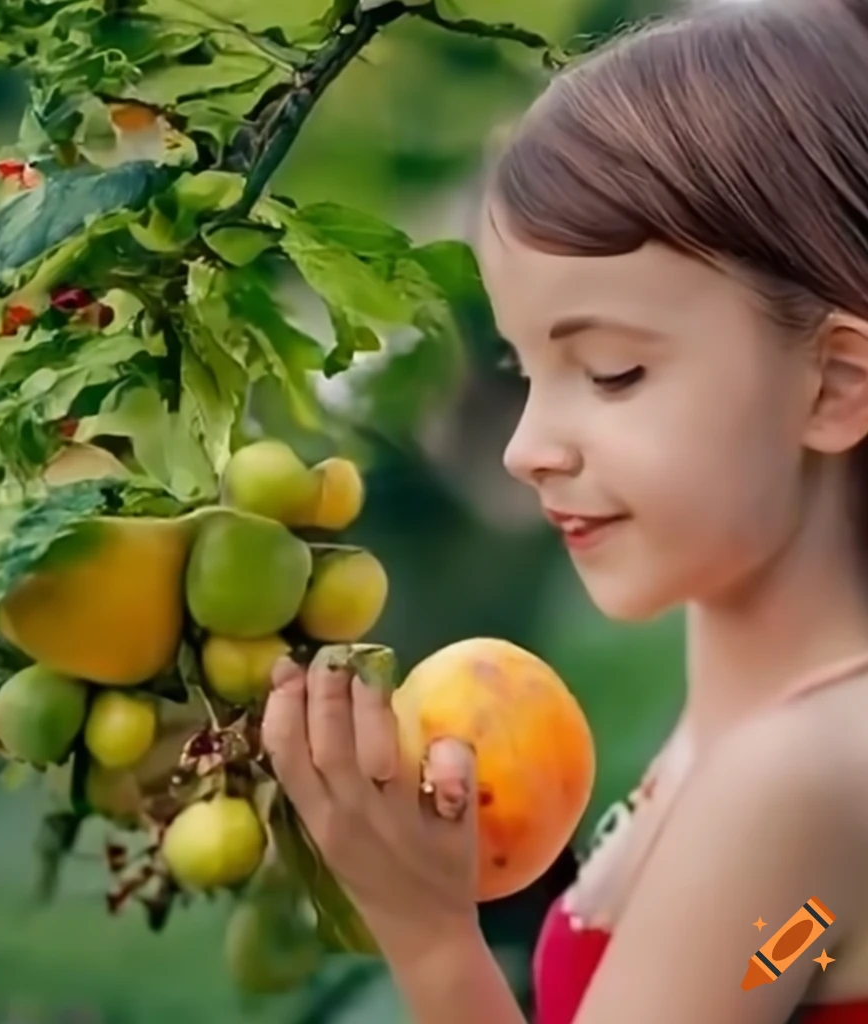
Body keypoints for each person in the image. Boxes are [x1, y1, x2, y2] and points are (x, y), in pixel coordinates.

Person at [260, 1, 868, 1021]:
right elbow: (772, 963)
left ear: (834, 385)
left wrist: (425, 932)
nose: (524, 446)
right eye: (526, 365)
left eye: (612, 370)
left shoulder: (792, 777)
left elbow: (777, 939)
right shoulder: (752, 740)